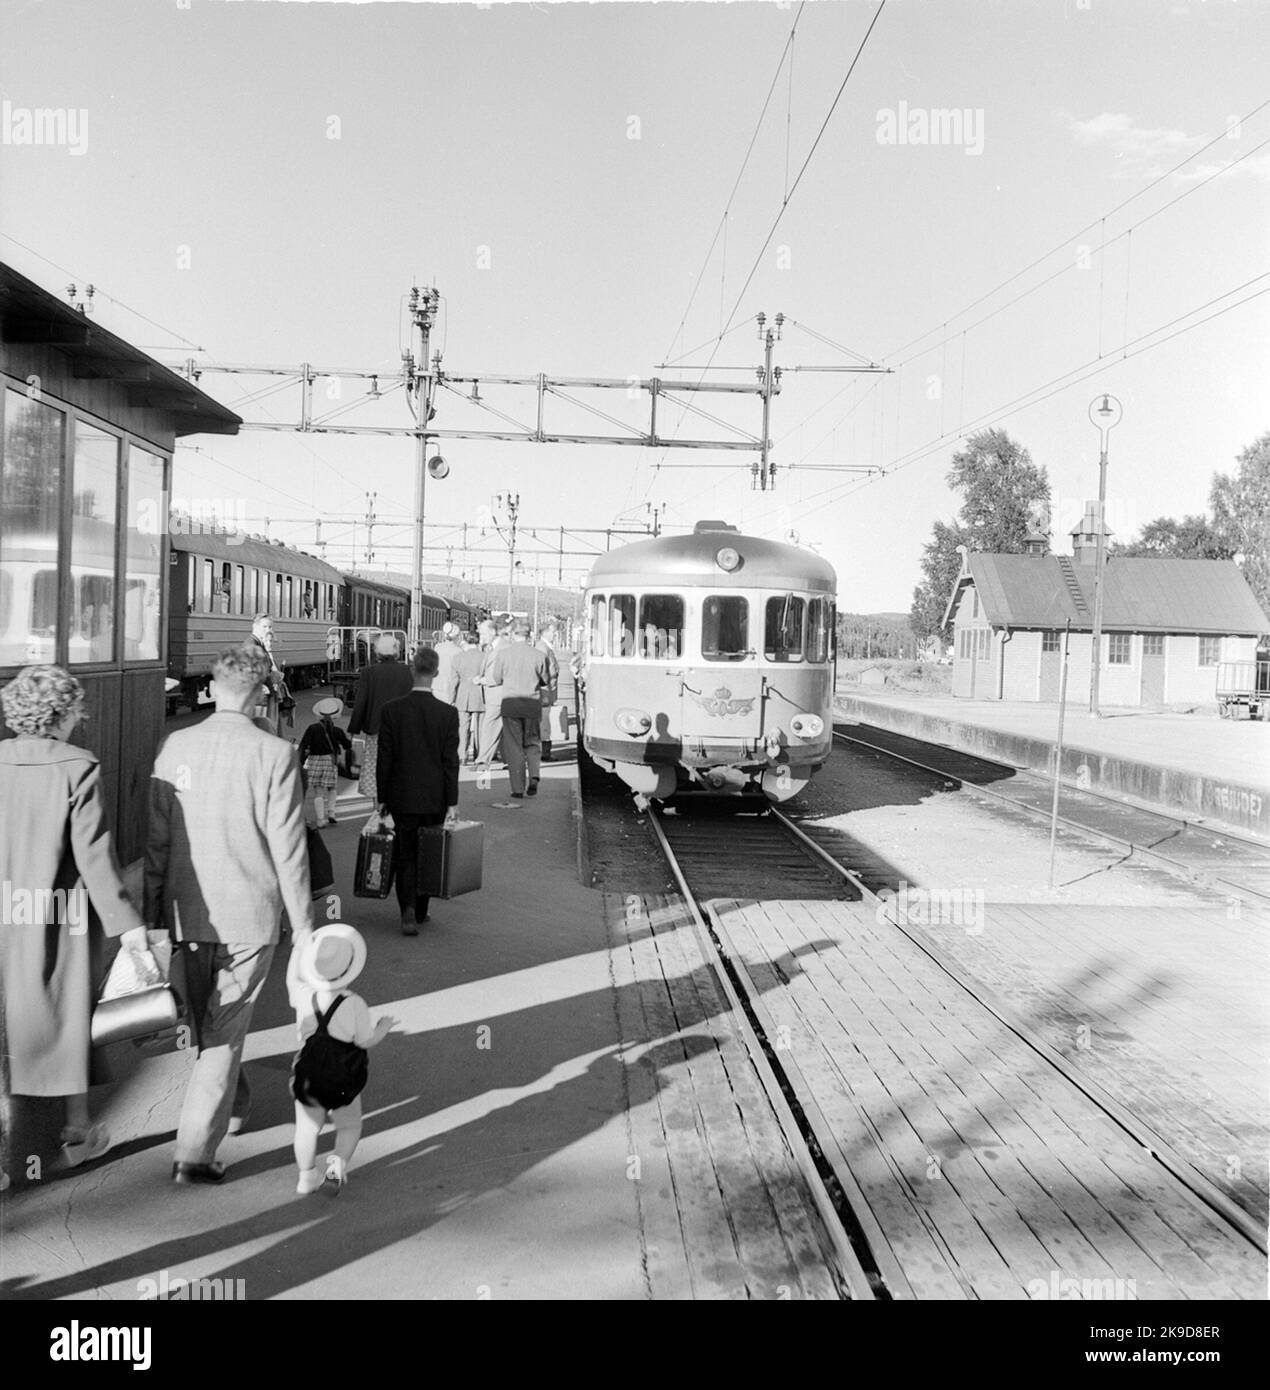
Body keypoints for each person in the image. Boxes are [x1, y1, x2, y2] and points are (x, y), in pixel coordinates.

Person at [144, 643, 315, 1185]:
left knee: (210, 1028)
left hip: (184, 915)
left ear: (213, 689)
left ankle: (226, 1112)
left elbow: (156, 846)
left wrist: (149, 921)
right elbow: (289, 849)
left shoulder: (175, 746)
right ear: (262, 695)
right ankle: (193, 1154)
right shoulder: (274, 754)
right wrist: (306, 929)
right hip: (250, 917)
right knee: (221, 1031)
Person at [0, 667, 151, 1173]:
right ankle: (77, 1132)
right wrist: (129, 928)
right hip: (59, 917)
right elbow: (95, 859)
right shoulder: (78, 767)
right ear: (61, 715)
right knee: (69, 1014)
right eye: (77, 711)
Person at [290, 923, 396, 1196]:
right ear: (349, 969)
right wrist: (383, 1027)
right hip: (342, 1077)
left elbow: (292, 980)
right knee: (349, 1125)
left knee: (306, 1128)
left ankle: (305, 1177)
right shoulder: (354, 1003)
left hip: (308, 1074)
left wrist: (299, 947)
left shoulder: (304, 996)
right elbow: (364, 1040)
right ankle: (337, 1164)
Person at [376, 647, 460, 935]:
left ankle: (407, 911)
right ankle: (422, 909)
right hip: (434, 797)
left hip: (401, 796)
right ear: (436, 673)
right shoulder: (448, 714)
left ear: (413, 669)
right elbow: (451, 762)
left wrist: (383, 797)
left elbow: (384, 758)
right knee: (428, 853)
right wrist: (452, 801)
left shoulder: (391, 711)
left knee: (406, 853)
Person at [483, 621, 551, 799]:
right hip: (532, 705)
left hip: (511, 705)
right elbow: (545, 679)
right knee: (533, 742)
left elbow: (496, 678)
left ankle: (518, 789)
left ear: (514, 634)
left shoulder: (504, 654)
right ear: (529, 635)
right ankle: (534, 775)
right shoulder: (539, 655)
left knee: (514, 747)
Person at [347, 633, 412, 805]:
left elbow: (361, 702)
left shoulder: (369, 672)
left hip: (376, 730)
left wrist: (353, 729)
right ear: (397, 651)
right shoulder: (407, 672)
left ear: (377, 653)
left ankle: (378, 806)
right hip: (401, 731)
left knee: (376, 768)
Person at [298, 697, 351, 827]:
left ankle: (321, 819)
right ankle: (332, 813)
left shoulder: (312, 728)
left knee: (318, 791)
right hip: (330, 760)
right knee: (332, 788)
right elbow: (347, 745)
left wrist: (300, 762)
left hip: (314, 761)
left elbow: (304, 746)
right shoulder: (337, 731)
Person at [474, 618, 511, 771]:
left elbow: (498, 674)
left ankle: (482, 761)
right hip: (494, 694)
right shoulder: (492, 647)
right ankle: (510, 760)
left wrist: (482, 680)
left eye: (483, 633)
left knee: (490, 726)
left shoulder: (502, 648)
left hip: (497, 693)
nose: (480, 636)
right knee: (500, 728)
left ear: (492, 632)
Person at [248, 614, 287, 734]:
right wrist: (268, 684)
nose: (268, 630)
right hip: (258, 694)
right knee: (260, 728)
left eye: (270, 627)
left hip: (263, 692)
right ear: (255, 626)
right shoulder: (251, 645)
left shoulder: (258, 644)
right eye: (265, 627)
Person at [450, 631, 486, 764]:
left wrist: (451, 699)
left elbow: (454, 681)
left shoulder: (458, 657)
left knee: (462, 727)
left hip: (463, 695)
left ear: (466, 641)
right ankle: (480, 754)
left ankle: (462, 756)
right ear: (478, 641)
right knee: (480, 727)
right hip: (481, 695)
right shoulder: (485, 657)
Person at [535, 623, 561, 763]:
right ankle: (544, 753)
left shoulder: (546, 648)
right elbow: (542, 671)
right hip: (545, 691)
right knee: (545, 722)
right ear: (545, 633)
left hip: (548, 691)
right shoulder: (542, 647)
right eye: (553, 632)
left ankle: (546, 752)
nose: (555, 634)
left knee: (546, 722)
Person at [432, 621, 463, 705]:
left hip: (436, 686)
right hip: (449, 688)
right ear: (456, 636)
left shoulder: (437, 647)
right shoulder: (459, 651)